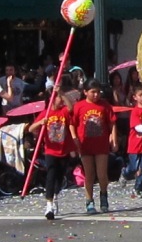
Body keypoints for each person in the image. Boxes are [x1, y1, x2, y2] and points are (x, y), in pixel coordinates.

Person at [70, 79, 118, 214]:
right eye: (93, 92)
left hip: (101, 144)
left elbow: (112, 123)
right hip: (85, 144)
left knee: (102, 173)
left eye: (98, 92)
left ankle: (104, 195)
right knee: (89, 174)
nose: (96, 95)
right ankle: (89, 200)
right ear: (85, 92)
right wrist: (75, 140)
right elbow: (72, 124)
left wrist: (113, 138)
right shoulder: (79, 106)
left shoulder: (105, 105)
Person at [29, 90, 75, 220]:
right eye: (58, 98)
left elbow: (70, 108)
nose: (60, 100)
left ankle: (55, 195)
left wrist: (62, 93)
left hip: (64, 150)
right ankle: (49, 204)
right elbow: (31, 129)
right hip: (50, 150)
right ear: (52, 100)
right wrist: (40, 123)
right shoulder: (45, 113)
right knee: (51, 175)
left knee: (60, 177)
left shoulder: (63, 111)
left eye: (61, 98)